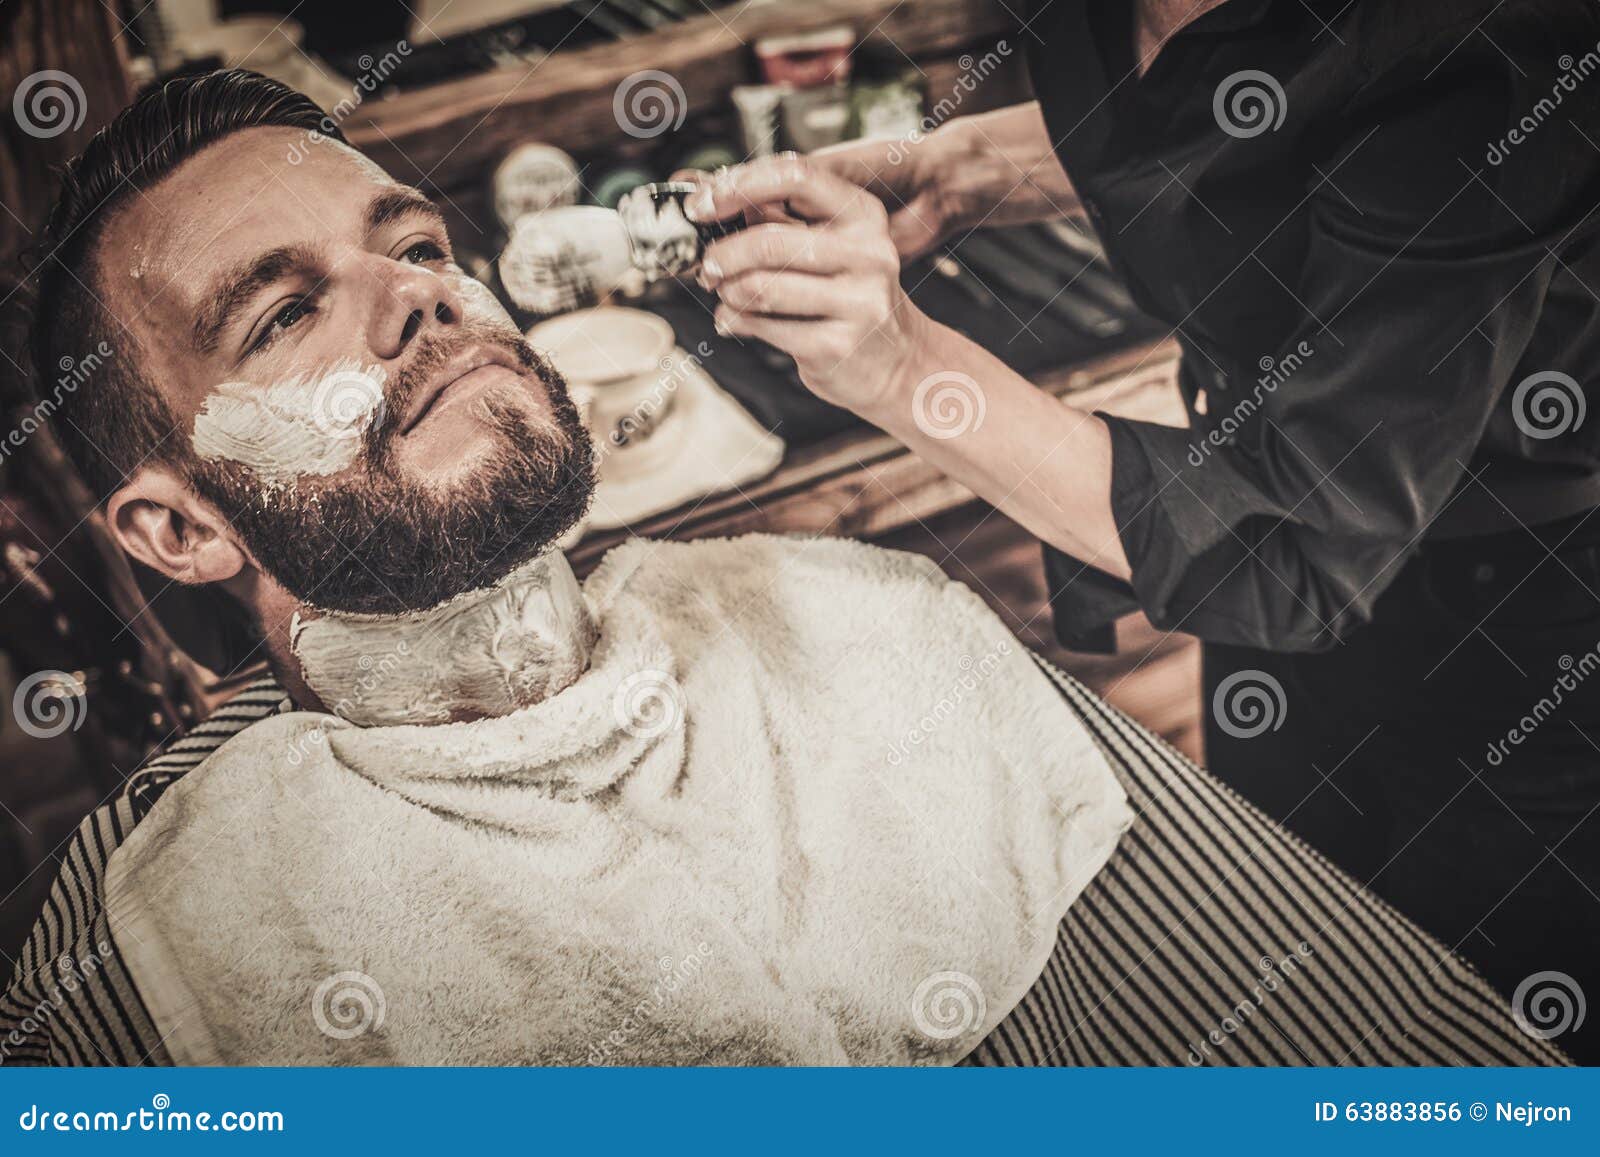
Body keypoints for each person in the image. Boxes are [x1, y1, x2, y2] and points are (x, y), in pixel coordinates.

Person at [0, 70, 1563, 1068]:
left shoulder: (873, 631)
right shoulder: (160, 948)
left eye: (416, 246)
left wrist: (906, 365)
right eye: (281, 317)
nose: (421, 298)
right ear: (177, 529)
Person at [686, 0, 1600, 1063]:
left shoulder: (1492, 44)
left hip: (1518, 594)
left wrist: (902, 366)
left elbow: (1297, 547)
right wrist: (961, 166)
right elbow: (1240, 123)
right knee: (1282, 910)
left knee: (1482, 1014)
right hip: (1257, 521)